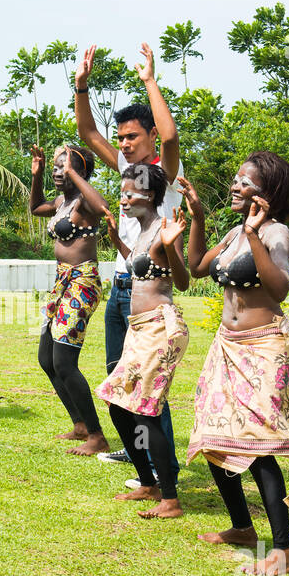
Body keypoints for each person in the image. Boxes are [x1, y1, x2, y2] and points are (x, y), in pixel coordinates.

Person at [184, 155, 289, 575]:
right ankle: (241, 527)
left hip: (264, 347)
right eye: (235, 179)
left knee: (258, 448)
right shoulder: (235, 231)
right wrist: (197, 217)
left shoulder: (276, 233)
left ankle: (285, 547)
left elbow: (280, 288)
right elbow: (196, 268)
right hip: (227, 346)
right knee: (215, 438)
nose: (235, 186)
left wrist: (255, 234)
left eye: (245, 182)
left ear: (267, 194)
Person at [75, 42, 183, 485]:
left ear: (150, 136)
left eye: (132, 136)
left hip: (153, 292)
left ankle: (162, 467)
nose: (123, 144)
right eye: (121, 138)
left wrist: (150, 81)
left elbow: (172, 136)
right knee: (119, 376)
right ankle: (140, 452)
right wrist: (82, 88)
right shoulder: (125, 167)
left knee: (151, 385)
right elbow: (88, 135)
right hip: (122, 286)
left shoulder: (166, 173)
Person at [96, 163, 190, 518]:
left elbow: (180, 281)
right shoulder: (143, 229)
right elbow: (143, 267)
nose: (123, 199)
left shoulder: (166, 228)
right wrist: (116, 242)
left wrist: (171, 246)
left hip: (159, 329)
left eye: (130, 193)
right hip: (139, 328)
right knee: (118, 402)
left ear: (150, 195)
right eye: (122, 193)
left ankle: (170, 498)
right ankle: (148, 482)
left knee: (146, 411)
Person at [29, 143, 111, 455]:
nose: (56, 170)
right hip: (62, 282)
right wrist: (36, 176)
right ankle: (79, 424)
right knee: (46, 359)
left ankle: (96, 435)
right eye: (54, 166)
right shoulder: (64, 201)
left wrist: (76, 175)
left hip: (82, 282)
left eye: (62, 165)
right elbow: (37, 208)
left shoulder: (85, 204)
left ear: (79, 170)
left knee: (64, 362)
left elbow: (103, 205)